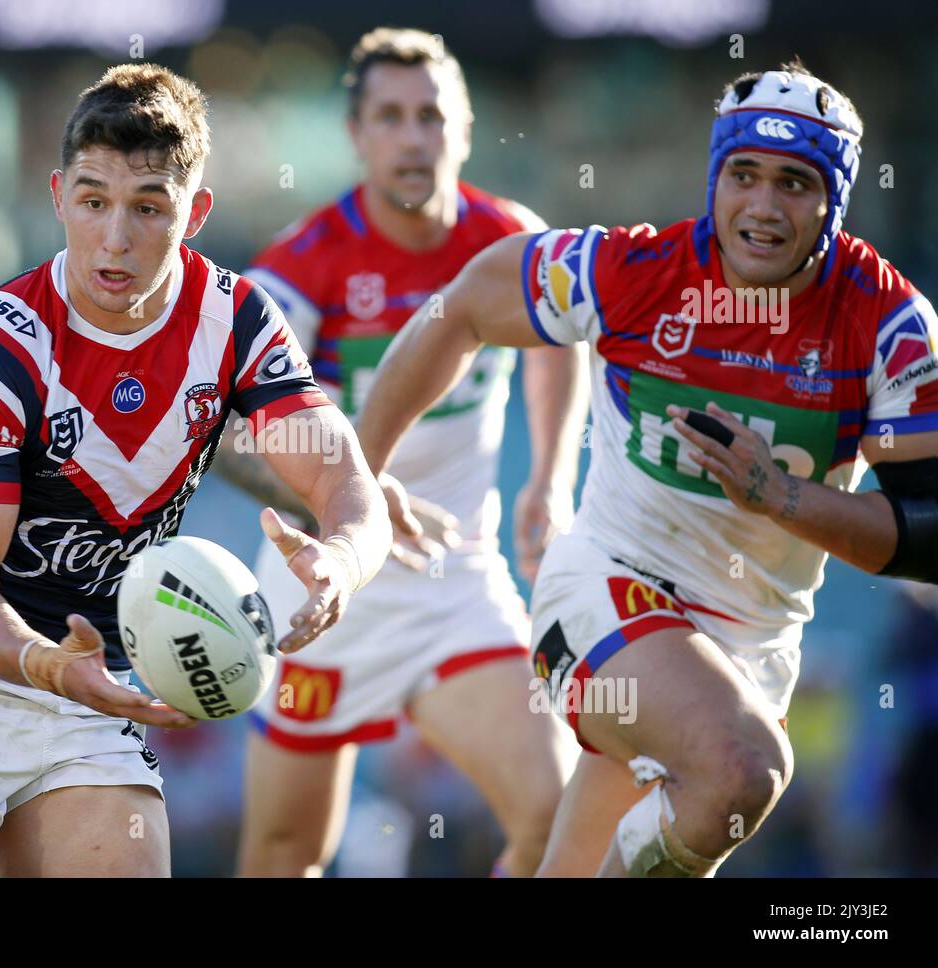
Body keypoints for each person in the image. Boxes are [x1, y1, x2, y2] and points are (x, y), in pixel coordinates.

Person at [357, 60, 938, 876]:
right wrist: (357, 480)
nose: (763, 208)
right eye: (744, 175)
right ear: (716, 177)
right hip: (604, 596)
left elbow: (927, 537)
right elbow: (463, 304)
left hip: (747, 651)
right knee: (743, 771)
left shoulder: (891, 326)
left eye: (795, 184)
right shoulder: (631, 272)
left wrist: (780, 496)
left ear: (834, 201)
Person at [0, 63, 391, 877]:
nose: (116, 238)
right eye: (93, 202)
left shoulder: (236, 321)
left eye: (148, 207)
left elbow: (346, 489)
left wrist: (340, 562)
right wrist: (50, 665)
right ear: (59, 196)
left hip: (95, 685)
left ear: (194, 212)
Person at [219, 27, 584, 878]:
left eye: (431, 116)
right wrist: (350, 496)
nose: (414, 137)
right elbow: (228, 438)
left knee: (558, 817)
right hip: (322, 586)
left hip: (452, 579)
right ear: (357, 135)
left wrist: (550, 479)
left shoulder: (509, 243)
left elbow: (565, 341)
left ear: (463, 129)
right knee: (284, 853)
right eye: (390, 116)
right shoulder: (303, 266)